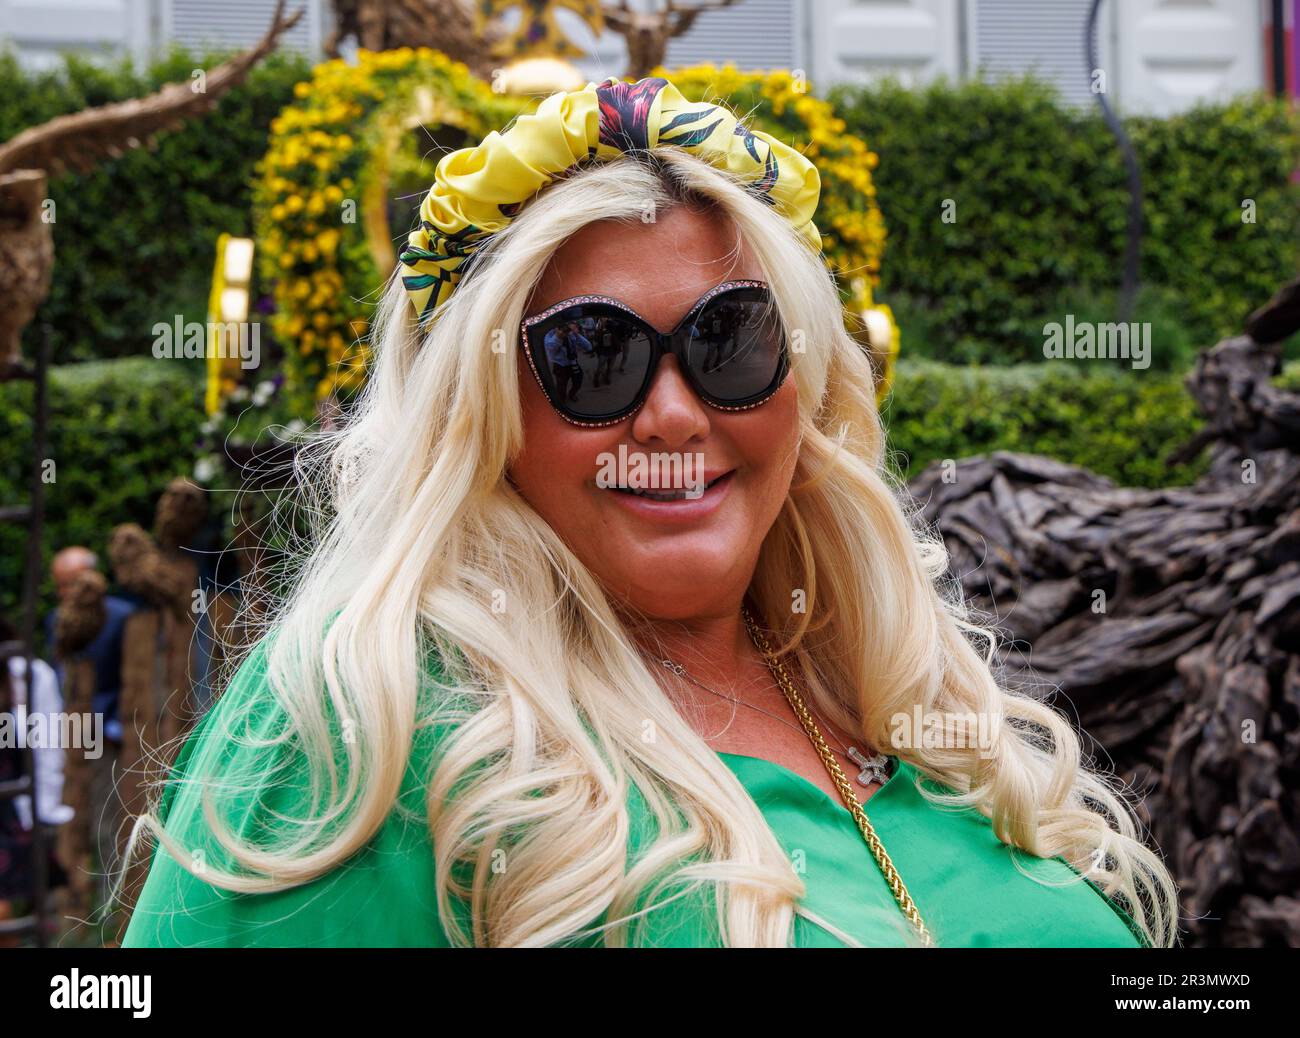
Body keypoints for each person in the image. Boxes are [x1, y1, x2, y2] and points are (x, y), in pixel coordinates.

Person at [121, 76, 1177, 948]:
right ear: (481, 417)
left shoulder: (890, 681)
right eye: (592, 357)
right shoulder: (366, 720)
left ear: (802, 382)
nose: (673, 416)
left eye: (731, 340)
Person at [45, 547, 136, 909]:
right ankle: (72, 904)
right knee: (69, 820)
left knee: (108, 821)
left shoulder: (123, 617)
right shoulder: (55, 619)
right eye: (60, 587)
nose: (66, 594)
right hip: (68, 733)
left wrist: (114, 727)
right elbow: (58, 672)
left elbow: (133, 677)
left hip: (107, 735)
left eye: (72, 584)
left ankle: (112, 907)